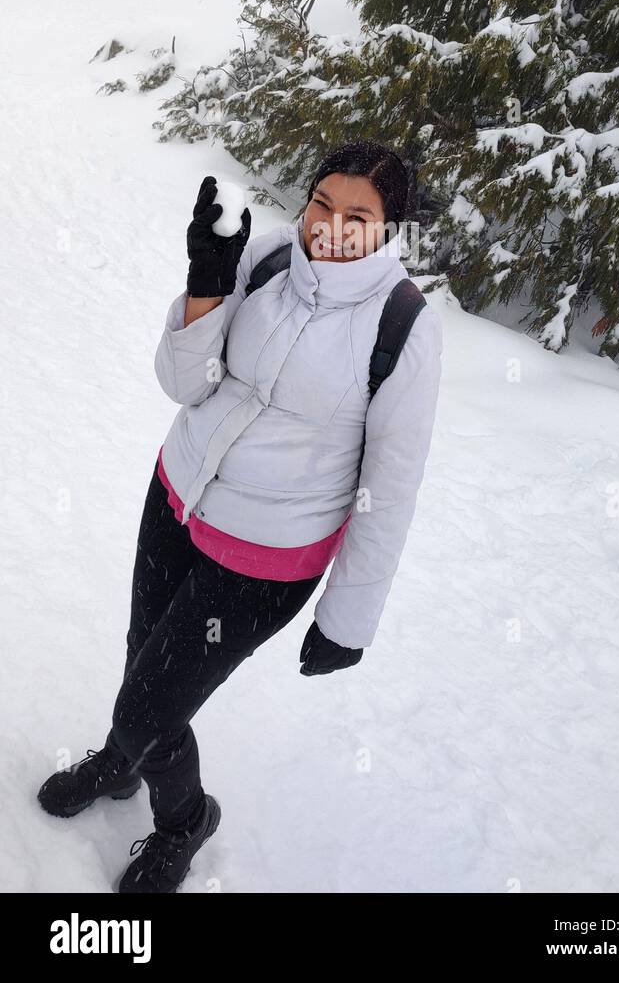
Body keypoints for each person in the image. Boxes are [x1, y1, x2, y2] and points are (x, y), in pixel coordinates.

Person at [37, 139, 443, 893]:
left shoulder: (404, 327)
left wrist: (346, 619)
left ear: (390, 229)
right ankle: (123, 761)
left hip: (262, 563)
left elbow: (389, 486)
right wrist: (204, 281)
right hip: (176, 499)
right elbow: (183, 383)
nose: (330, 226)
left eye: (358, 215)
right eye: (322, 202)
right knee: (143, 656)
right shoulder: (264, 261)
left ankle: (185, 821)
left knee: (152, 706)